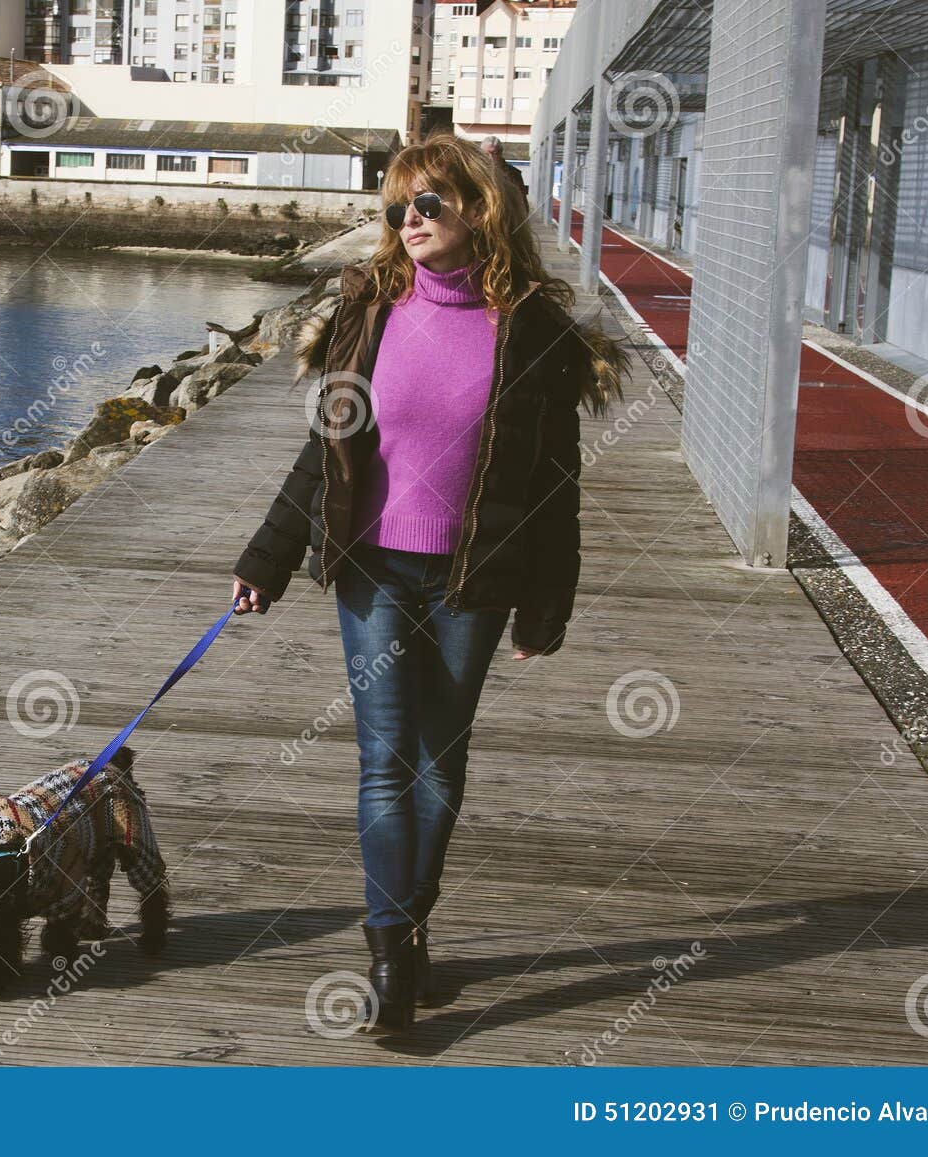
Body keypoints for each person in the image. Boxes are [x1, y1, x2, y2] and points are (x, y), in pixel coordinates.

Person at [230, 136, 626, 1031]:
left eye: (428, 204)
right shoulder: (369, 310)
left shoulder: (531, 331)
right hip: (372, 569)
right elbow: (323, 449)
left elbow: (555, 483)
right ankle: (388, 956)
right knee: (385, 760)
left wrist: (547, 602)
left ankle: (407, 932)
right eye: (397, 208)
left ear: (480, 211)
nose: (408, 221)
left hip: (473, 576)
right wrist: (267, 559)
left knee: (439, 767)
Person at [480, 134, 528, 205]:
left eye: (494, 153)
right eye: (486, 154)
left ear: (500, 153)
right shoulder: (476, 171)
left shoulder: (513, 174)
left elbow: (522, 202)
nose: (490, 157)